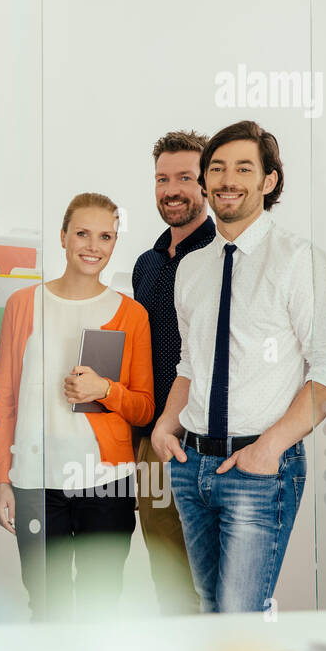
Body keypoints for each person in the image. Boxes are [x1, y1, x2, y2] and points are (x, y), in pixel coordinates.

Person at [152, 120, 326, 614]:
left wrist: (270, 449)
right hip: (191, 467)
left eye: (244, 167)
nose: (227, 179)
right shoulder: (192, 269)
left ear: (269, 181)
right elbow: (189, 365)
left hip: (259, 470)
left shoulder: (298, 262)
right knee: (209, 609)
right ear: (204, 181)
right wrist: (164, 425)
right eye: (216, 168)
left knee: (240, 615)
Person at [0, 193, 154, 621]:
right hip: (35, 481)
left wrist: (105, 390)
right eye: (82, 233)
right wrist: (0, 480)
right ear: (63, 237)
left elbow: (143, 409)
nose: (92, 245)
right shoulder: (22, 304)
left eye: (105, 236)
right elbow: (3, 398)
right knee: (47, 607)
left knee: (101, 607)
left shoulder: (131, 314)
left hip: (108, 481)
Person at [130, 131, 212, 615]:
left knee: (214, 585)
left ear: (204, 184)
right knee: (168, 579)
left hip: (203, 441)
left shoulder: (222, 255)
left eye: (185, 177)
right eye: (163, 179)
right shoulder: (147, 263)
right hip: (152, 445)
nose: (172, 189)